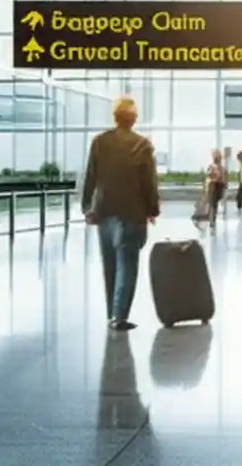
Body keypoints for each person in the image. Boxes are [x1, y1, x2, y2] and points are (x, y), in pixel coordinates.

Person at [81, 96, 159, 331]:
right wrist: (152, 209)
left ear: (115, 117)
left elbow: (90, 176)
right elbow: (149, 183)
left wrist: (87, 206)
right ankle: (119, 317)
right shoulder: (142, 145)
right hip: (131, 212)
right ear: (134, 119)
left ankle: (111, 313)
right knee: (127, 266)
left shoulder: (99, 142)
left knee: (110, 265)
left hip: (103, 211)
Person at [206, 149, 227, 229]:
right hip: (213, 186)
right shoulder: (211, 166)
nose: (216, 158)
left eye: (218, 156)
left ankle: (212, 219)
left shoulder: (221, 168)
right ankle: (212, 219)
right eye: (215, 156)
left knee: (214, 204)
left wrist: (224, 184)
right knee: (213, 204)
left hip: (218, 186)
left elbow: (223, 178)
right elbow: (208, 175)